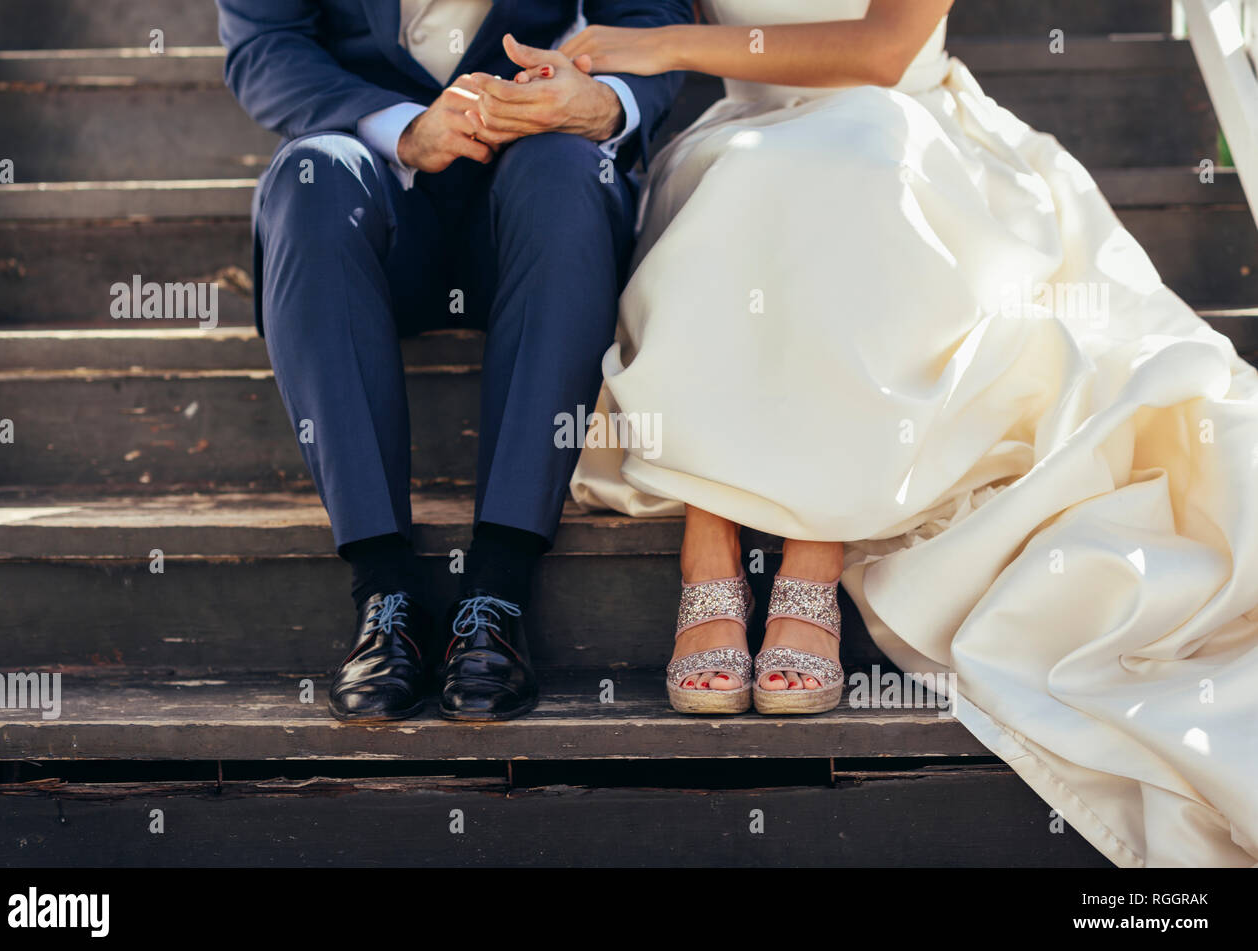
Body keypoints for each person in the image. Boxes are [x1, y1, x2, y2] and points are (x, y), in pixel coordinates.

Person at [535, 0, 1258, 866]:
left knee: (860, 155)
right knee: (742, 186)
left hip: (904, 133)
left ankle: (813, 545)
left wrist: (662, 48)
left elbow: (883, 50)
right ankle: (711, 544)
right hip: (745, 137)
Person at [216, 0, 690, 721]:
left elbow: (647, 12)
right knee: (309, 171)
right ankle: (385, 591)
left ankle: (498, 588)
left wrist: (603, 103)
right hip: (372, 193)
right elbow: (264, 44)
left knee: (567, 171)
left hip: (534, 188)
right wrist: (402, 129)